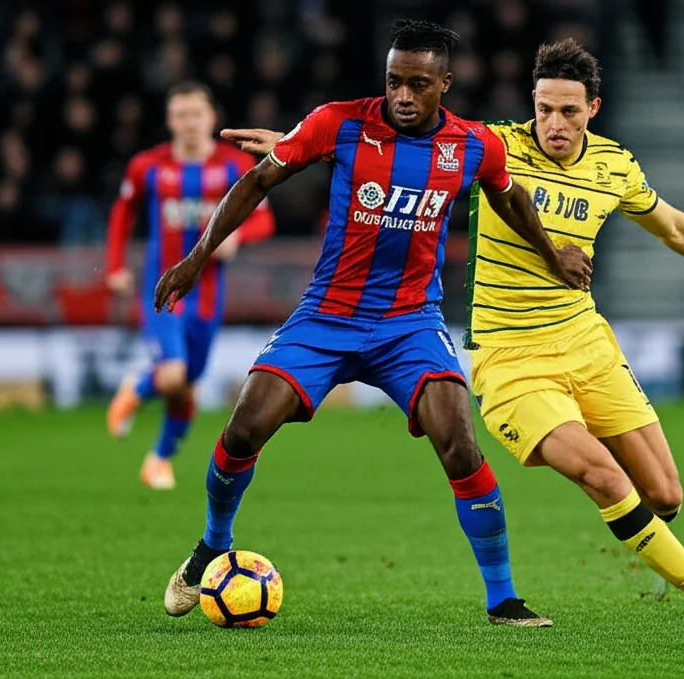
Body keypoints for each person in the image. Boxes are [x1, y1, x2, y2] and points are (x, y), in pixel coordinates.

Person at [218, 38, 684, 619]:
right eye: (543, 108)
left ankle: (651, 547)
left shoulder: (614, 165)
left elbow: (671, 226)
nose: (554, 123)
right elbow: (404, 143)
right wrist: (300, 149)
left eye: (569, 112)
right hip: (512, 358)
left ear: (593, 110)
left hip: (586, 343)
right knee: (600, 471)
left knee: (665, 493)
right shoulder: (496, 145)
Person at [153, 20, 592, 627]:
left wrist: (553, 254)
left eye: (417, 84)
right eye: (393, 82)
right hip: (326, 315)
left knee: (460, 442)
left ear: (445, 83)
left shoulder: (473, 146)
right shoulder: (340, 122)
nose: (403, 96)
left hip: (410, 322)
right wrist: (196, 258)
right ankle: (211, 545)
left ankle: (503, 598)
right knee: (244, 430)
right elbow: (256, 181)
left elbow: (509, 196)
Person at [106, 82, 275, 490]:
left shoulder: (235, 166)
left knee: (186, 384)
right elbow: (122, 212)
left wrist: (239, 235)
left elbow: (265, 219)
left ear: (211, 119)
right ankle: (141, 387)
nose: (189, 123)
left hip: (209, 290)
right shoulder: (148, 166)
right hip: (164, 285)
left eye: (196, 114)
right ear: (170, 121)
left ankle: (159, 460)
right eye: (180, 114)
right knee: (172, 375)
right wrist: (114, 266)